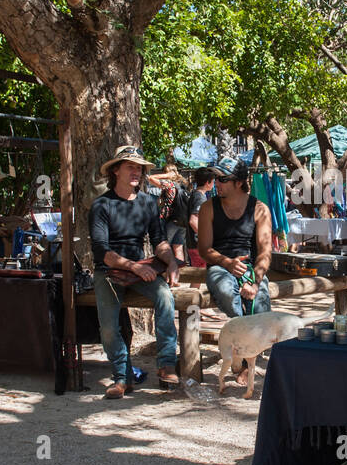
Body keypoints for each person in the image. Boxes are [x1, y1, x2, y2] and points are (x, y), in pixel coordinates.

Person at [89, 145, 181, 397]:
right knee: (108, 327)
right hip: (109, 271)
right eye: (130, 166)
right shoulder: (101, 205)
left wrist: (171, 261)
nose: (136, 172)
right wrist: (134, 267)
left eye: (139, 168)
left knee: (165, 296)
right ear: (115, 170)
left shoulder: (149, 203)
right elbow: (101, 252)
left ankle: (166, 364)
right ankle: (122, 376)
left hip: (140, 269)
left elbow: (160, 241)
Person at [198, 156, 273, 389]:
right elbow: (204, 249)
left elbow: (265, 252)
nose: (215, 183)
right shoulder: (207, 207)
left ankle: (246, 361)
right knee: (229, 295)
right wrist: (227, 262)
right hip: (220, 266)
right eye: (215, 178)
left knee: (260, 305)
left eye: (222, 179)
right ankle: (242, 363)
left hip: (250, 268)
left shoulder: (260, 209)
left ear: (239, 182)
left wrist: (256, 281)